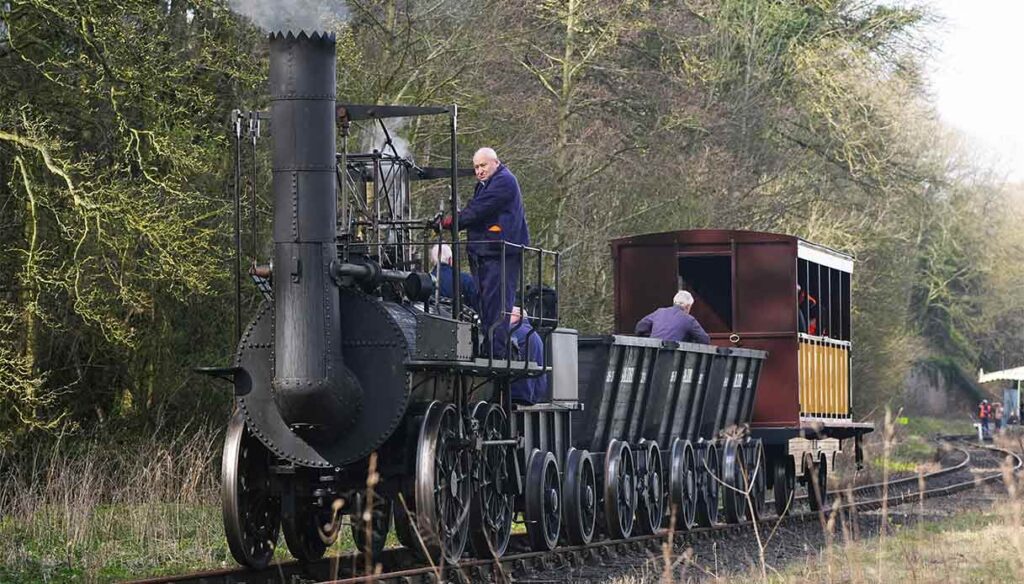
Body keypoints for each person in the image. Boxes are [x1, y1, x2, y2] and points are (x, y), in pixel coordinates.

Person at [441, 147, 529, 358]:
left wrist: (452, 222)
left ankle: (496, 354)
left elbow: (478, 210)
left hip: (499, 254)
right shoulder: (485, 185)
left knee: (496, 306)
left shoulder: (504, 182)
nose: (479, 171)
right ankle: (490, 349)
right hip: (486, 253)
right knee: (487, 305)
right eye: (476, 167)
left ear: (495, 163)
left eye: (483, 165)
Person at [634, 290, 711, 344]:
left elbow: (639, 328)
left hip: (652, 356)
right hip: (673, 359)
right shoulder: (689, 319)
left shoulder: (659, 312)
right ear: (688, 306)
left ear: (674, 302)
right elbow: (705, 340)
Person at [510, 306, 547, 404]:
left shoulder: (513, 331)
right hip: (534, 392)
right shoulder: (535, 334)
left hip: (516, 392)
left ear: (517, 316)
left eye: (508, 314)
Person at [428, 243, 478, 310]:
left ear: (432, 261)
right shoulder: (466, 280)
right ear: (450, 260)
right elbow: (478, 307)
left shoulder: (425, 281)